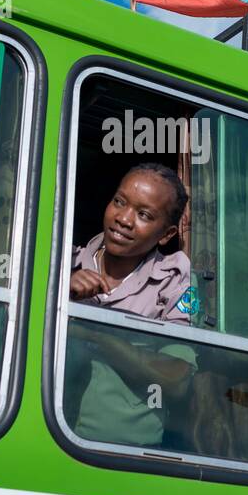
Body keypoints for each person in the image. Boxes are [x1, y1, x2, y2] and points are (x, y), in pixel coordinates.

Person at [68, 162, 196, 446]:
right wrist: (63, 292)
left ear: (166, 234)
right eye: (119, 201)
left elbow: (176, 380)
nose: (124, 219)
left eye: (144, 214)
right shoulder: (65, 261)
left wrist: (96, 334)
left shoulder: (173, 281)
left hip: (125, 453)